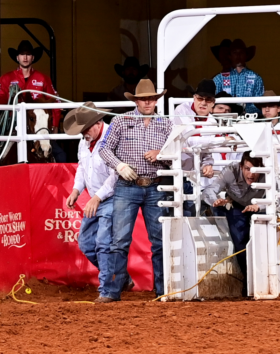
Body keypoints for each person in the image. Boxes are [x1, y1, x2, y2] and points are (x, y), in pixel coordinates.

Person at [99, 79, 173, 303]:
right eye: (144, 98)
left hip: (155, 185)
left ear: (156, 100)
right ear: (137, 101)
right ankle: (112, 291)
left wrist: (161, 153)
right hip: (128, 185)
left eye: (151, 98)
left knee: (158, 241)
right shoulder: (121, 121)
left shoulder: (166, 124)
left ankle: (162, 291)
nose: (148, 102)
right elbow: (104, 149)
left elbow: (178, 152)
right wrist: (120, 165)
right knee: (119, 240)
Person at [64, 102, 119, 303]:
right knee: (87, 243)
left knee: (103, 243)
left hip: (111, 197)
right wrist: (76, 190)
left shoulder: (111, 138)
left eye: (86, 129)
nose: (84, 134)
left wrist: (96, 197)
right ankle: (117, 278)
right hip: (96, 198)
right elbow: (82, 168)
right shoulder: (84, 142)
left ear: (98, 123)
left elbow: (115, 175)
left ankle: (107, 290)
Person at [202, 151, 263, 284]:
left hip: (261, 208)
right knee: (240, 243)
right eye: (247, 169)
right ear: (241, 167)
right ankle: (249, 281)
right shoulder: (231, 171)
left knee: (263, 242)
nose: (251, 174)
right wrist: (215, 200)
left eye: (254, 170)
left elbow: (276, 200)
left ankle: (260, 279)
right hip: (237, 207)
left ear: (261, 167)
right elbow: (209, 190)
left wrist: (259, 206)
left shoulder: (267, 172)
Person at [0, 38, 61, 132]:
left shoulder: (43, 78)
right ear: (17, 57)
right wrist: (11, 97)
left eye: (28, 54)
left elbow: (55, 101)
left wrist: (55, 125)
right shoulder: (6, 78)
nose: (25, 57)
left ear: (33, 57)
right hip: (12, 124)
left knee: (54, 147)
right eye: (22, 54)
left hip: (39, 125)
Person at [172, 80, 217, 215]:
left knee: (192, 215)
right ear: (194, 98)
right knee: (176, 213)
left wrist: (208, 163)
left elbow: (206, 150)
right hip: (175, 172)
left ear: (213, 103)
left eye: (208, 100)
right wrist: (220, 140)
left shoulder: (212, 122)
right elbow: (190, 140)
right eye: (200, 98)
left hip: (194, 177)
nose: (203, 103)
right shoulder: (181, 110)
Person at [211, 38, 264, 115]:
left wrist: (243, 110)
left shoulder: (256, 78)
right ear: (230, 56)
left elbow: (259, 104)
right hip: (225, 119)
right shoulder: (219, 79)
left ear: (246, 55)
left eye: (241, 52)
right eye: (234, 52)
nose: (238, 55)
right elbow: (214, 103)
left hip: (249, 120)